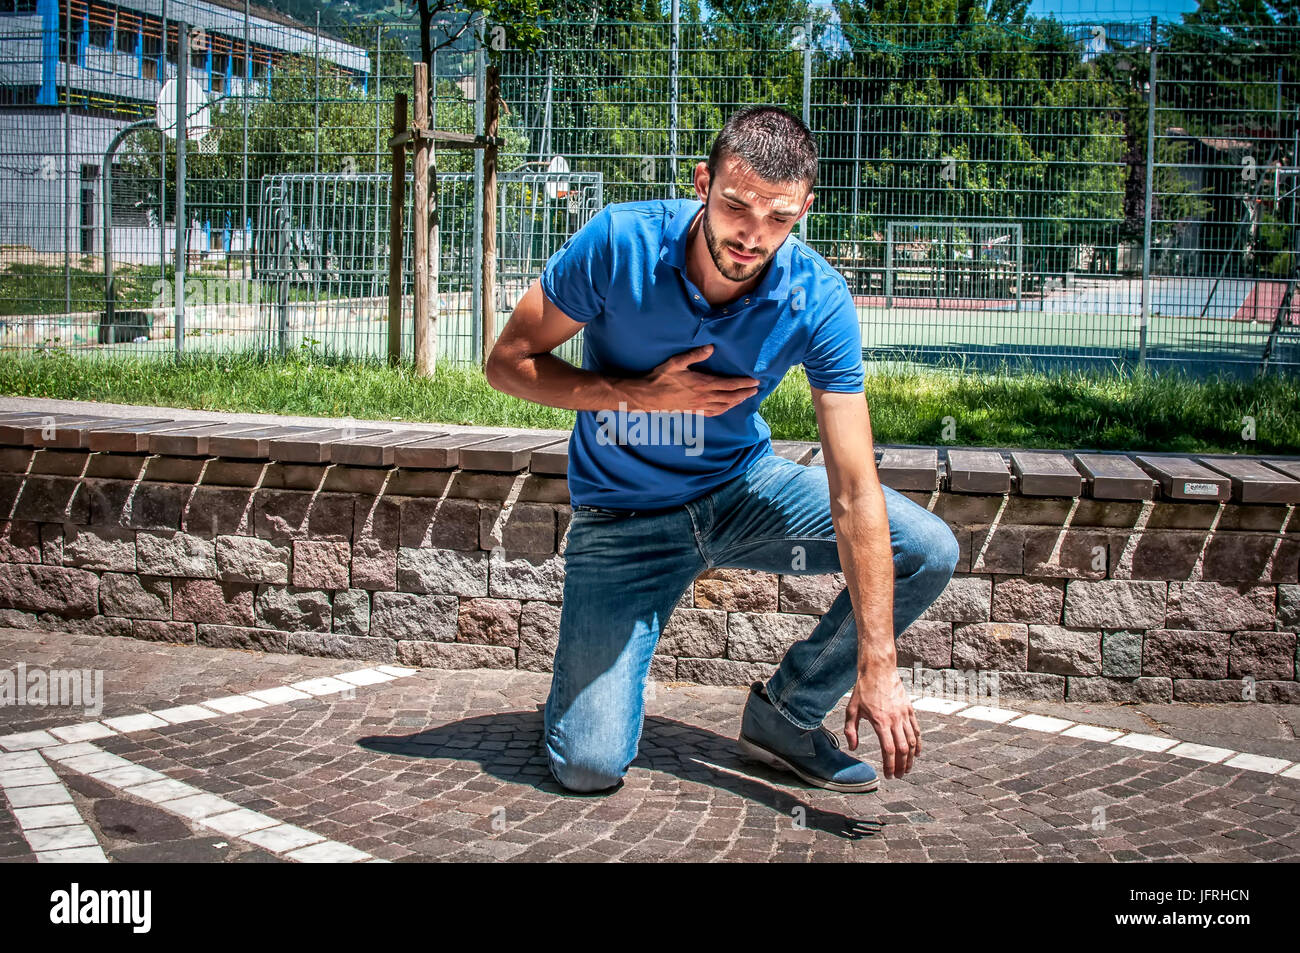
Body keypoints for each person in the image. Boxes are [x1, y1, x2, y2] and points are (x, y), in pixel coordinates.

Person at [486, 105, 959, 795]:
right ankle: (582, 696)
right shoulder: (619, 242)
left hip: (742, 492)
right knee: (588, 766)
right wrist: (637, 396)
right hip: (624, 519)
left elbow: (854, 490)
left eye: (779, 217)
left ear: (805, 209)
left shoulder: (816, 296)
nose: (753, 234)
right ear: (705, 181)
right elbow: (507, 362)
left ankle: (788, 714)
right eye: (737, 206)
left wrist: (878, 661)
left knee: (925, 546)